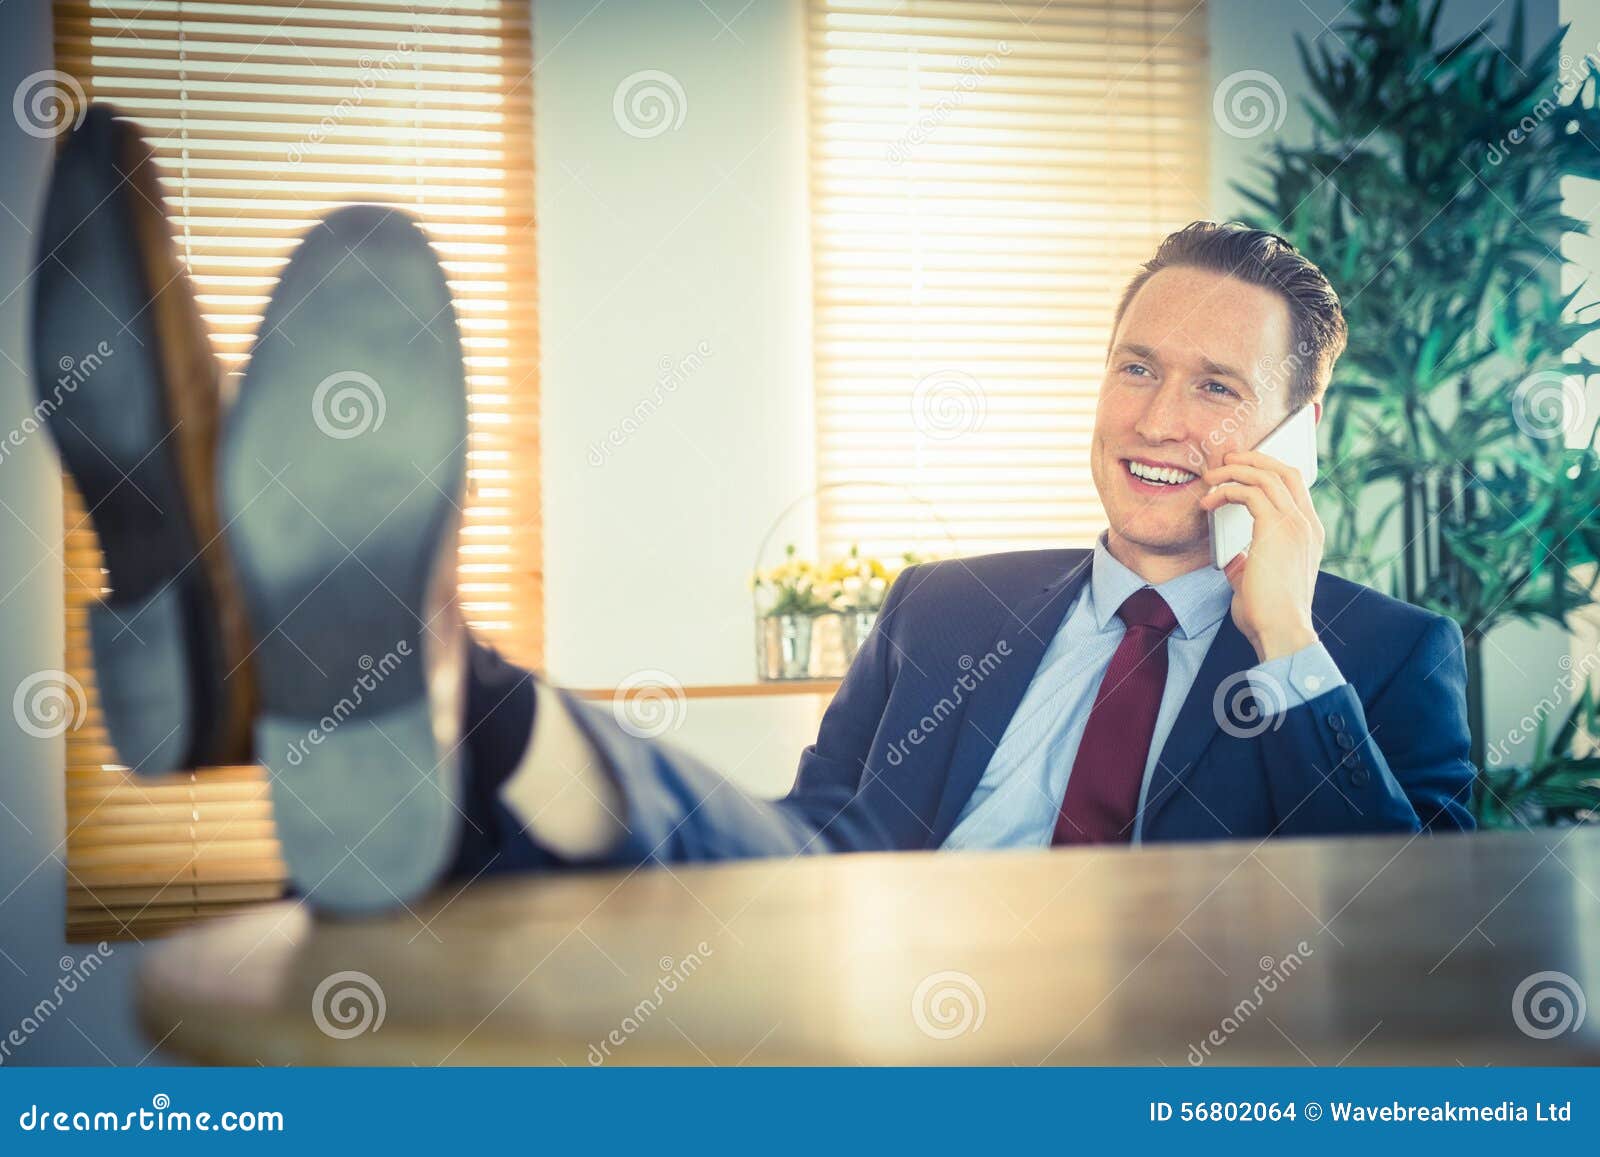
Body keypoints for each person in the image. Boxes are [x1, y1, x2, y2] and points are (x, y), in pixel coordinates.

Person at [33, 106, 1475, 916]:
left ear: (1293, 432)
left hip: (1147, 1047)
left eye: (1217, 388)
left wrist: (1283, 635)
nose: (1160, 420)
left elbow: (1415, 940)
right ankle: (344, 645)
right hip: (854, 963)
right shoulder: (946, 603)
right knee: (677, 843)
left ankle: (257, 647)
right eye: (1135, 368)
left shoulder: (1385, 654)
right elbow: (806, 837)